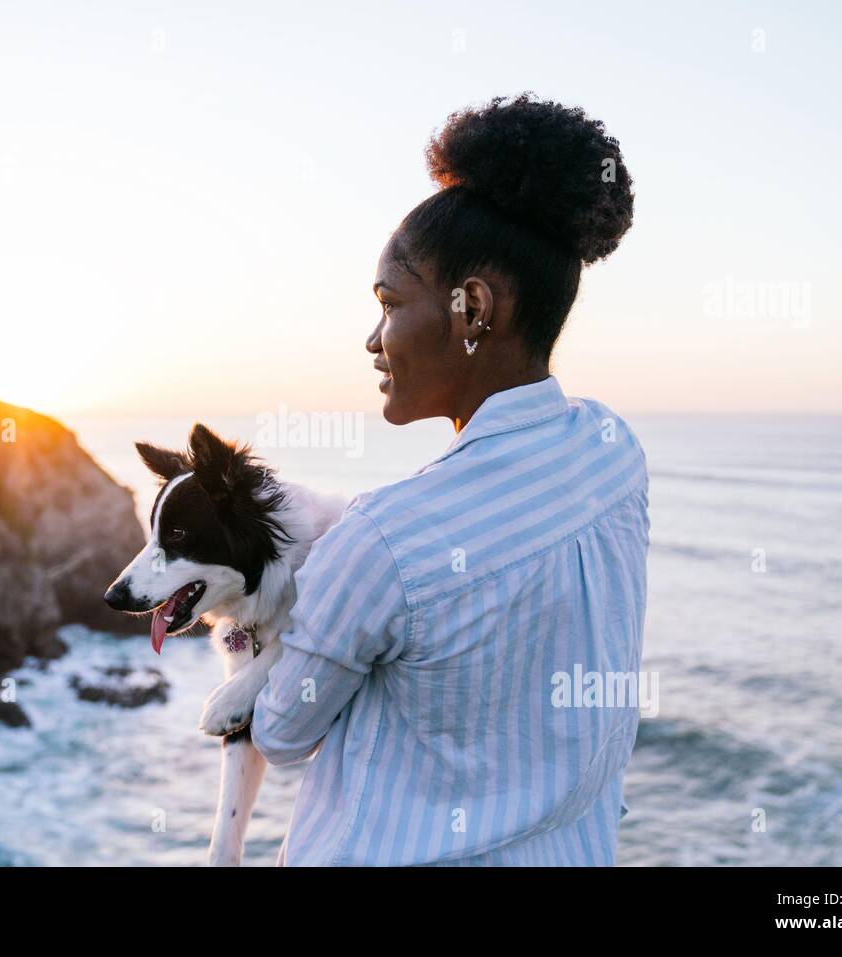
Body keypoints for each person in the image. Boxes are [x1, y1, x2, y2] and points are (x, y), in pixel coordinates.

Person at [250, 93, 647, 866]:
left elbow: (281, 731)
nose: (373, 338)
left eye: (390, 303)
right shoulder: (615, 455)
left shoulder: (385, 542)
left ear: (473, 309)